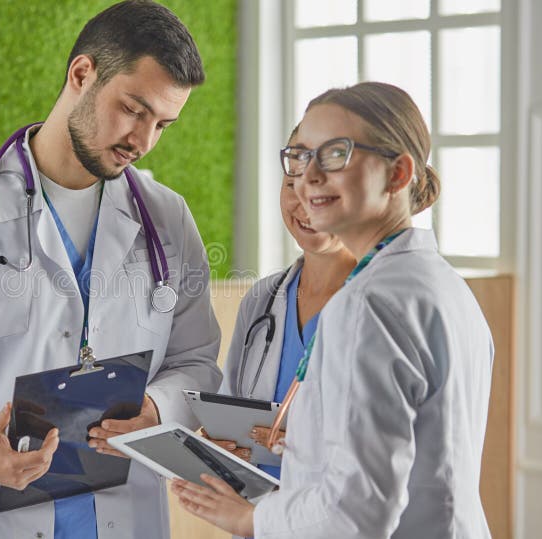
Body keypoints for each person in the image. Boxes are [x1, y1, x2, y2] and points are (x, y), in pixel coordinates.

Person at [0, 2, 222, 538]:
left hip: (122, 515)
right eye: (133, 110)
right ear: (81, 74)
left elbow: (196, 361)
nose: (142, 142)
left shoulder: (167, 218)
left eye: (162, 124)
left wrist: (157, 410)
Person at [172, 81, 494, 538]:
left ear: (398, 175)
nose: (308, 178)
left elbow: (353, 515)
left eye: (336, 154)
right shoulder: (444, 287)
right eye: (301, 157)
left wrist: (251, 519)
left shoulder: (368, 303)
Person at [205, 127, 357, 482]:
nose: (306, 203)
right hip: (254, 517)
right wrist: (219, 445)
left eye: (327, 191)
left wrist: (317, 452)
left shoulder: (376, 305)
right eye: (294, 185)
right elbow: (231, 412)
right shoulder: (262, 299)